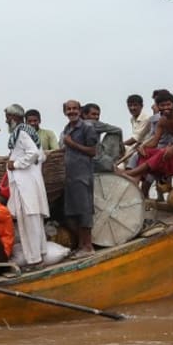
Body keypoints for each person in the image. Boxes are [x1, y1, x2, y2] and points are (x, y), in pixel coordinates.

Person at [3, 104, 50, 269]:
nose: (6, 120)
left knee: (29, 221)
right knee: (34, 220)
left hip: (25, 185)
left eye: (7, 117)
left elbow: (35, 154)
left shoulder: (21, 133)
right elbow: (41, 156)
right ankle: (41, 254)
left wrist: (15, 164)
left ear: (13, 117)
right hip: (30, 182)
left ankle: (35, 260)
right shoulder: (31, 132)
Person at [125, 89, 173, 181]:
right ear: (157, 106)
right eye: (162, 105)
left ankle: (132, 173)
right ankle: (137, 177)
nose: (166, 108)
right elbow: (154, 142)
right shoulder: (162, 121)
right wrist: (143, 146)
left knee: (163, 152)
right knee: (145, 152)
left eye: (168, 105)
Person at [61, 101, 98, 259]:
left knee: (84, 211)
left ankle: (88, 247)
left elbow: (92, 151)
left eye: (74, 108)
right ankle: (81, 246)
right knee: (73, 212)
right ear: (65, 112)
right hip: (70, 176)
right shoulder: (67, 129)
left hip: (83, 175)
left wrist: (72, 144)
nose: (72, 111)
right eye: (69, 109)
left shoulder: (87, 127)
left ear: (80, 110)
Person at [82, 103, 124, 173]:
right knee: (115, 134)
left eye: (98, 115)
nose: (96, 117)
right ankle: (114, 162)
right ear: (85, 115)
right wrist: (121, 145)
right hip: (98, 160)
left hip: (84, 162)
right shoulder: (92, 123)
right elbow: (118, 130)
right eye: (93, 114)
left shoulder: (75, 126)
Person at [123, 94, 151, 168]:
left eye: (135, 105)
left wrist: (120, 144)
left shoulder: (145, 119)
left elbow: (135, 139)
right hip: (137, 145)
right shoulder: (132, 119)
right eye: (130, 106)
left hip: (146, 146)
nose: (132, 108)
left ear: (141, 106)